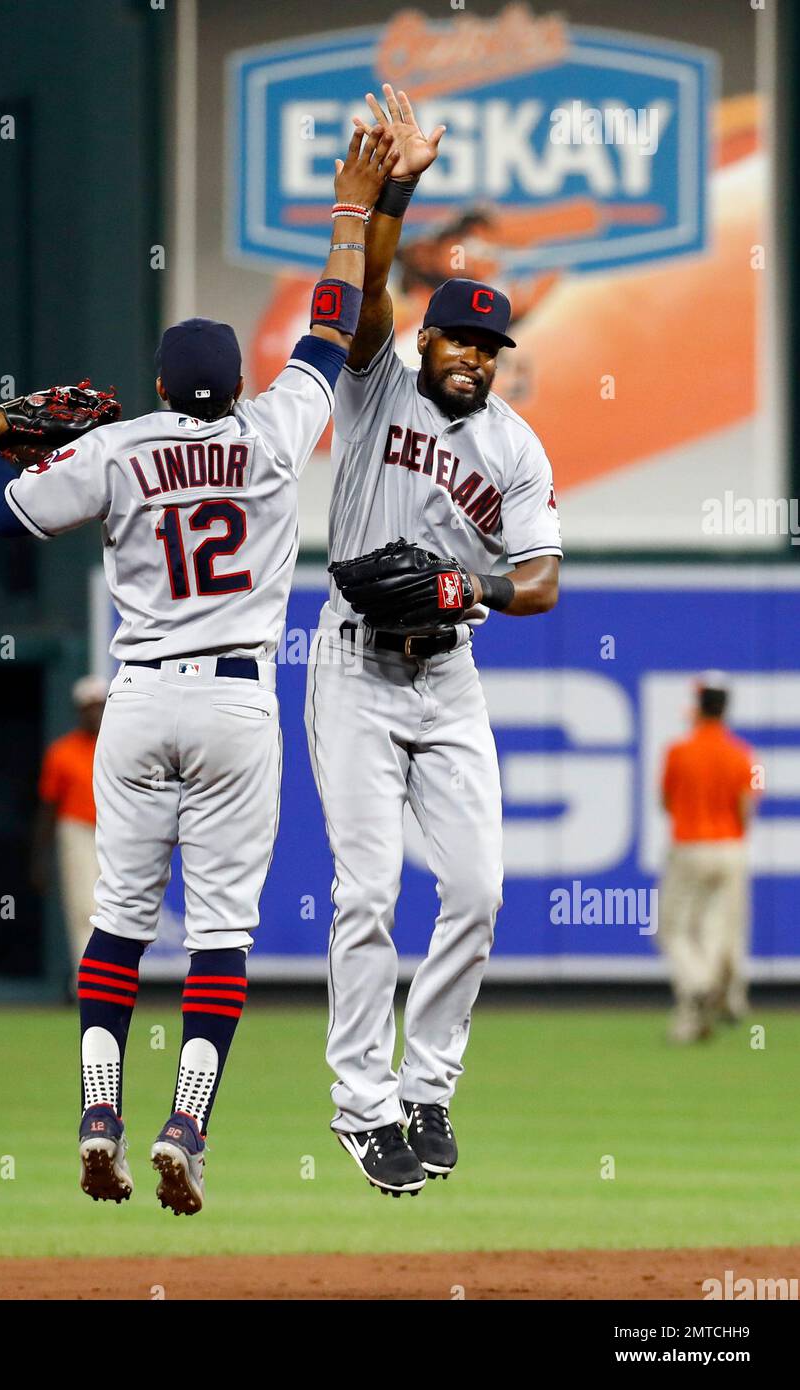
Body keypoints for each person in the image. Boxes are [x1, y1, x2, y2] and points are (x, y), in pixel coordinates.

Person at [0, 126, 397, 1215]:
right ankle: (185, 1128)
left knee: (116, 920)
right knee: (219, 937)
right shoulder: (274, 427)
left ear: (158, 383)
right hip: (238, 704)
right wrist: (352, 211)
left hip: (139, 693)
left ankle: (98, 1108)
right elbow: (333, 325)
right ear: (238, 380)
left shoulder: (118, 447)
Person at [305, 87, 563, 1196]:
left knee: (478, 890)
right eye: (457, 334)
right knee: (365, 895)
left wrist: (468, 583)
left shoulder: (513, 446)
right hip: (354, 667)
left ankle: (427, 1088)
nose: (471, 353)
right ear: (428, 335)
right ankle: (362, 1106)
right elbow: (363, 289)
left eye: (487, 342)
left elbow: (543, 581)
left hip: (447, 674)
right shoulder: (373, 387)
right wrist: (394, 188)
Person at [658, 673, 758, 1043]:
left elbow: (666, 802)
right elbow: (748, 806)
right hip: (732, 848)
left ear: (698, 707)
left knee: (673, 930)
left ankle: (701, 986)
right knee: (717, 930)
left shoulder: (679, 751)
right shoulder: (742, 753)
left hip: (689, 846)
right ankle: (716, 1000)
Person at [33, 675, 107, 981]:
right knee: (83, 909)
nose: (95, 713)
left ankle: (117, 984)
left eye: (100, 706)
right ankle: (88, 985)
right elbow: (48, 807)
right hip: (76, 830)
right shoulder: (62, 751)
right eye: (88, 707)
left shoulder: (121, 745)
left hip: (116, 830)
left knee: (115, 909)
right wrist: (40, 856)